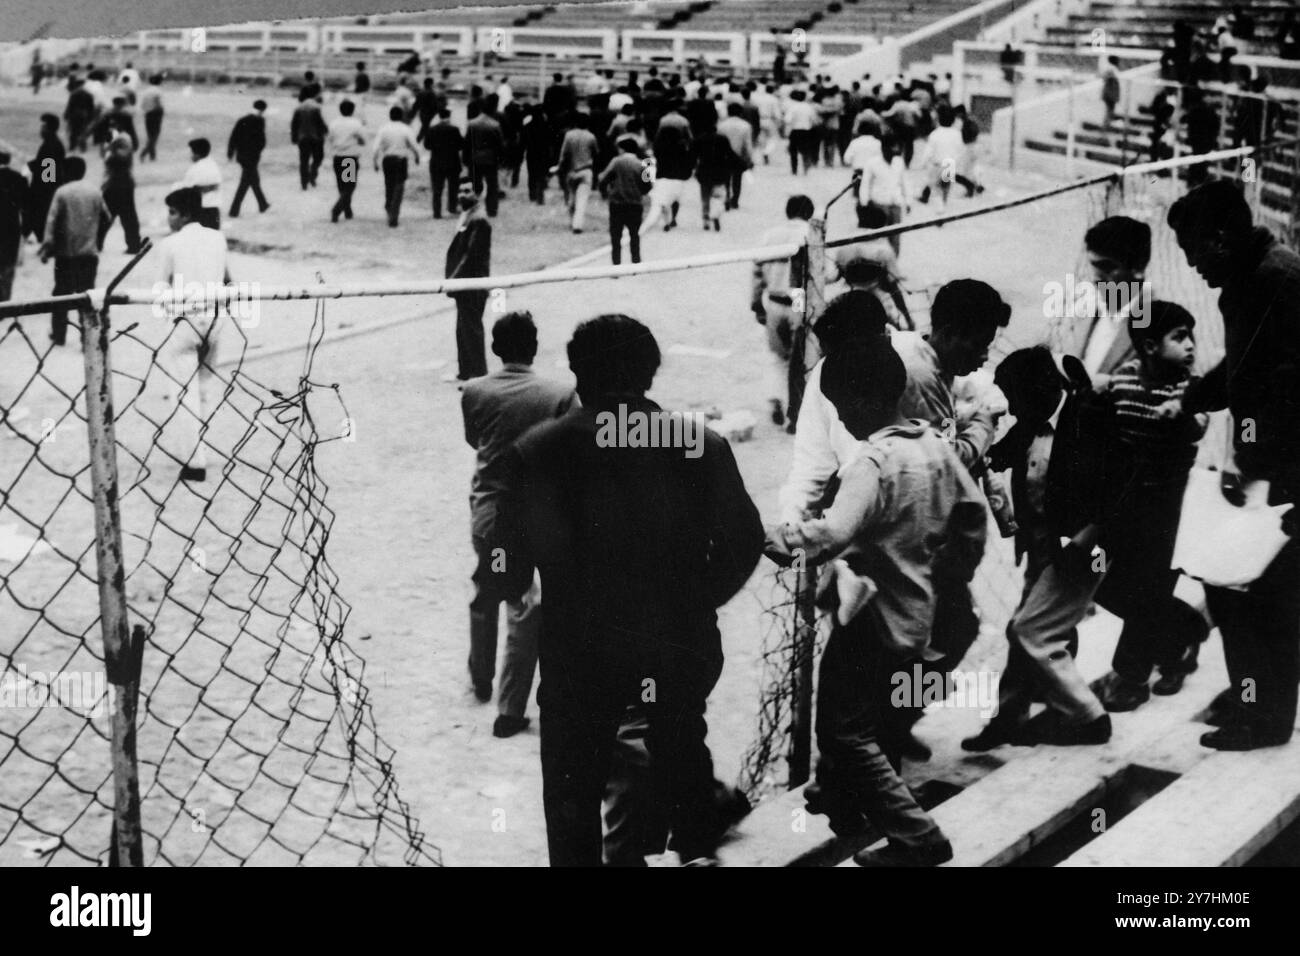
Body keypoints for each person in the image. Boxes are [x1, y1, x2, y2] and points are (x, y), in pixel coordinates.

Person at [490, 313, 764, 866]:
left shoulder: (538, 450)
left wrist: (517, 581)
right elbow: (746, 539)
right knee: (681, 760)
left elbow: (502, 560)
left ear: (576, 374)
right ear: (650, 372)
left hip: (580, 654)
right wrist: (701, 598)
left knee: (573, 791)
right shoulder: (698, 444)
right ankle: (695, 852)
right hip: (678, 643)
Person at [766, 336, 985, 866]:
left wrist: (778, 540)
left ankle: (917, 836)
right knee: (878, 717)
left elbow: (833, 534)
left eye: (841, 409)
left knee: (843, 729)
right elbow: (973, 516)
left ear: (861, 402)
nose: (842, 420)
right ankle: (842, 797)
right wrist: (947, 570)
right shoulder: (933, 446)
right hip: (919, 612)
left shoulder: (872, 463)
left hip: (872, 618)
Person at [1164, 181, 1300, 750]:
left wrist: (1255, 455)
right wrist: (1193, 397)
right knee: (1237, 590)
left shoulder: (1279, 281)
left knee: (1255, 596)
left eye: (1195, 252)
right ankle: (1257, 704)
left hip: (1287, 470)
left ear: (1220, 239)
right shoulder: (1249, 281)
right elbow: (1246, 369)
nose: (1193, 266)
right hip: (1271, 465)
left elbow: (1291, 385)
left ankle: (1264, 716)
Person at [963, 347, 1114, 750]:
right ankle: (1009, 717)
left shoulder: (1087, 419)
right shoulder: (1032, 423)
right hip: (1045, 546)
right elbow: (998, 455)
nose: (1012, 408)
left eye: (1016, 397)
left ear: (1044, 389)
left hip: (1084, 546)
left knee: (1033, 631)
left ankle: (1087, 717)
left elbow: (1117, 489)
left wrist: (1085, 541)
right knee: (1025, 629)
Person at [461, 311, 577, 735]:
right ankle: (510, 708)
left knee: (488, 584)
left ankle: (480, 674)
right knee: (524, 603)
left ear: (495, 348)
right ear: (534, 346)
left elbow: (475, 439)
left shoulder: (474, 390)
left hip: (488, 515)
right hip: (532, 517)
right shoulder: (560, 393)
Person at [1090, 303, 1207, 712]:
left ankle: (1131, 679)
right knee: (1106, 584)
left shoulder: (1187, 388)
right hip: (1125, 503)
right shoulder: (1121, 381)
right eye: (1180, 337)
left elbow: (1200, 420)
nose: (1191, 345)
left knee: (1148, 590)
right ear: (1150, 346)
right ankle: (1181, 636)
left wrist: (1183, 412)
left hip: (1168, 508)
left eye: (1191, 336)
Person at [154, 186, 230, 483]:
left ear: (184, 214)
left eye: (172, 212)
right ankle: (204, 445)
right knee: (203, 387)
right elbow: (226, 278)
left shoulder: (170, 244)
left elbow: (161, 286)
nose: (169, 218)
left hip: (185, 318)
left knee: (182, 391)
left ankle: (194, 460)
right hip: (215, 316)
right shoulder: (217, 238)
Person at [1067, 216, 1151, 390]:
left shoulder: (1160, 322)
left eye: (1106, 268)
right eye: (1093, 267)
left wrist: (1115, 386)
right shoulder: (1088, 314)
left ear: (1138, 268)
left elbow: (1182, 399)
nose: (1096, 278)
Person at [752, 195, 813, 427]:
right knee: (800, 359)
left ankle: (775, 399)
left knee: (778, 357)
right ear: (809, 213)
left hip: (775, 300)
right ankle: (793, 411)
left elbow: (756, 272)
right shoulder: (811, 234)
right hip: (798, 299)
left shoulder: (770, 236)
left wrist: (756, 304)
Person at [38, 155, 109, 347]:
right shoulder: (94, 191)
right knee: (87, 295)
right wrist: (98, 240)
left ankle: (59, 334)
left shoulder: (62, 192)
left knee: (61, 295)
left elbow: (51, 223)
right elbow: (106, 217)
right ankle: (86, 335)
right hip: (89, 253)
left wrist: (46, 248)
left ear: (66, 172)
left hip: (66, 255)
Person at [445, 183, 492, 382]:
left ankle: (479, 374)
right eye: (460, 190)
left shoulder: (479, 219)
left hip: (471, 282)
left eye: (467, 191)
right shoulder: (468, 215)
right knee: (462, 329)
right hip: (464, 283)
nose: (461, 195)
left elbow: (471, 256)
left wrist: (454, 280)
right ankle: (464, 372)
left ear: (478, 193)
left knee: (471, 329)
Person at [855, 131, 909, 255]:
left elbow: (905, 182)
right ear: (884, 148)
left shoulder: (899, 162)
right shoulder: (872, 163)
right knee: (878, 238)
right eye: (892, 148)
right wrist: (864, 203)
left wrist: (908, 201)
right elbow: (865, 184)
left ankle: (893, 265)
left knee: (895, 238)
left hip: (895, 204)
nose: (894, 151)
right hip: (879, 205)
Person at [598, 136, 648, 266]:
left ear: (622, 149)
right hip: (635, 204)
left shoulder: (616, 162)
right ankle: (635, 262)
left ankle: (616, 264)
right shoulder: (641, 164)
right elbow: (648, 185)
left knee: (616, 236)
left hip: (617, 203)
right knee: (634, 234)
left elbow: (603, 178)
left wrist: (606, 191)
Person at [373, 105, 421, 228]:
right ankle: (394, 215)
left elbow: (376, 147)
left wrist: (375, 161)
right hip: (400, 161)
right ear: (402, 116)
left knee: (389, 185)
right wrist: (417, 157)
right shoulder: (406, 129)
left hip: (387, 160)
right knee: (398, 188)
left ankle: (389, 207)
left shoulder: (383, 129)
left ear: (390, 116)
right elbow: (414, 145)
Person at [645, 111, 692, 232]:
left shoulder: (660, 145)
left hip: (663, 174)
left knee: (664, 196)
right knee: (676, 198)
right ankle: (674, 218)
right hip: (677, 175)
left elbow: (654, 156)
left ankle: (666, 218)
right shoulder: (681, 146)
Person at [98, 129, 141, 254]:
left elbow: (120, 157)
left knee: (110, 216)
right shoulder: (120, 140)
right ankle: (134, 245)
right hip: (118, 183)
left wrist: (110, 146)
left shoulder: (122, 140)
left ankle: (133, 245)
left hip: (119, 183)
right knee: (124, 216)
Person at [227, 100, 270, 218]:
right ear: (262, 110)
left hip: (242, 156)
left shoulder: (243, 120)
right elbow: (261, 140)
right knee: (246, 182)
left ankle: (263, 204)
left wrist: (230, 153)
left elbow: (233, 137)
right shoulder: (260, 121)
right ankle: (234, 210)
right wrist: (259, 150)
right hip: (252, 157)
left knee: (252, 181)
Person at [26, 114, 65, 244]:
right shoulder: (52, 143)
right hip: (47, 187)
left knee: (38, 214)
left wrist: (33, 167)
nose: (41, 130)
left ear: (48, 128)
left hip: (44, 188)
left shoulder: (50, 145)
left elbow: (48, 172)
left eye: (43, 127)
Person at [556, 114, 599, 234]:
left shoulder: (569, 135)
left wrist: (560, 167)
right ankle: (577, 224)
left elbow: (563, 154)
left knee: (571, 198)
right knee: (582, 199)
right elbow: (596, 153)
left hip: (571, 170)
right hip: (586, 170)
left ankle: (571, 221)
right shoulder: (591, 137)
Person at [917, 104, 964, 209]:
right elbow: (960, 150)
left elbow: (928, 152)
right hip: (950, 165)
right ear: (952, 121)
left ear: (939, 119)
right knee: (945, 189)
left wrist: (923, 163)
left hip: (937, 165)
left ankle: (940, 209)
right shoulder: (957, 134)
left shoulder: (935, 134)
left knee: (936, 189)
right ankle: (943, 205)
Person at [327, 99, 366, 223]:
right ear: (352, 110)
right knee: (349, 186)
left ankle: (347, 209)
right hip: (350, 157)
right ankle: (337, 209)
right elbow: (363, 140)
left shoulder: (333, 123)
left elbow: (330, 139)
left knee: (341, 185)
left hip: (337, 156)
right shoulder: (356, 123)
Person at [464, 102, 505, 218]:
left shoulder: (472, 123)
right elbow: (499, 145)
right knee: (492, 186)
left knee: (474, 185)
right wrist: (501, 160)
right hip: (490, 159)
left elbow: (467, 143)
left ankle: (471, 207)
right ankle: (492, 210)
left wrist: (465, 159)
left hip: (474, 157)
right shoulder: (495, 125)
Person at [694, 125, 736, 232]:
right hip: (719, 171)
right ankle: (716, 214)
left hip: (704, 171)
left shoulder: (700, 139)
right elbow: (730, 154)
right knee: (717, 196)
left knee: (705, 197)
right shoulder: (723, 139)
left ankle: (706, 218)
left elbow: (693, 155)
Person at [423, 108, 463, 219]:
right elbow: (461, 145)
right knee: (453, 187)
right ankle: (452, 207)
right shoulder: (454, 129)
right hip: (453, 162)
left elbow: (427, 145)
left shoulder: (432, 129)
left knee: (437, 189)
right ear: (449, 117)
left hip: (436, 162)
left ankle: (437, 212)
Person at [0, 150, 27, 302]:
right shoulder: (18, 178)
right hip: (11, 226)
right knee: (8, 264)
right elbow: (26, 204)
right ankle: (5, 300)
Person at [716, 103, 754, 211]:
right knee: (737, 179)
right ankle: (735, 200)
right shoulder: (745, 126)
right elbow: (748, 144)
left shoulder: (721, 125)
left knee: (725, 179)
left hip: (724, 155)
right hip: (739, 156)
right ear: (740, 112)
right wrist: (749, 158)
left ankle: (726, 197)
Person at [182, 138, 223, 230]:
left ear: (197, 154)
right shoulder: (214, 165)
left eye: (191, 153)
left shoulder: (194, 169)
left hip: (199, 210)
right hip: (214, 209)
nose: (190, 156)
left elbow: (186, 189)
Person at [290, 91, 328, 191]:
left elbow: (294, 124)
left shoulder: (298, 108)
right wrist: (326, 131)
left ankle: (304, 183)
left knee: (303, 161)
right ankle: (312, 175)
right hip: (315, 138)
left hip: (302, 138)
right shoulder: (316, 107)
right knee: (318, 158)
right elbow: (320, 123)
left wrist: (294, 138)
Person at [521, 104, 552, 206]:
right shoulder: (546, 125)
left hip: (531, 153)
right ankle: (540, 196)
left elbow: (523, 141)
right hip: (543, 153)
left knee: (532, 175)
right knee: (541, 175)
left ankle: (532, 195)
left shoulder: (528, 126)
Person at [783, 89, 818, 175]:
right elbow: (814, 120)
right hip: (806, 131)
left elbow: (787, 120)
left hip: (795, 131)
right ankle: (806, 168)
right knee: (806, 150)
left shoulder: (793, 107)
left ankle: (794, 169)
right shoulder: (809, 107)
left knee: (793, 151)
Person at [63, 78, 97, 153]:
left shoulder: (74, 93)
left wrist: (66, 114)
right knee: (83, 130)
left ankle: (72, 146)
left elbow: (70, 105)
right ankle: (83, 147)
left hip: (74, 114)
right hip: (84, 114)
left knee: (73, 131)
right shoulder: (89, 94)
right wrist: (91, 116)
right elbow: (91, 107)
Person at [139, 75, 164, 162]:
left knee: (150, 136)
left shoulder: (146, 91)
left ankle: (152, 156)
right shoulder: (157, 91)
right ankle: (144, 153)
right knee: (155, 136)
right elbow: (158, 104)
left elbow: (142, 105)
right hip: (156, 114)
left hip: (148, 114)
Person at [1100, 56, 1121, 127]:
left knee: (1109, 109)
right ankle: (1106, 124)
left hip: (1110, 93)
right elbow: (1106, 77)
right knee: (1110, 109)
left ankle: (1107, 123)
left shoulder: (1110, 69)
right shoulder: (1112, 69)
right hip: (1110, 93)